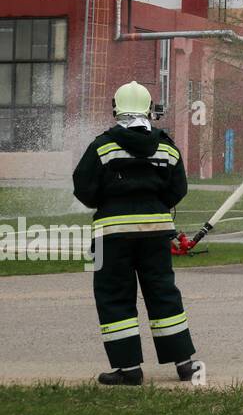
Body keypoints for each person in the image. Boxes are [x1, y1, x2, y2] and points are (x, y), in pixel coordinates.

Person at [72, 81, 202, 384]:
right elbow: (177, 189)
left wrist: (107, 204)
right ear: (148, 109)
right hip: (156, 231)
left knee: (114, 295)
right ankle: (185, 364)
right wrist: (155, 206)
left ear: (116, 108)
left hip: (111, 234)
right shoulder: (167, 146)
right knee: (163, 292)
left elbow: (84, 187)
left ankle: (128, 369)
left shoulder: (102, 145)